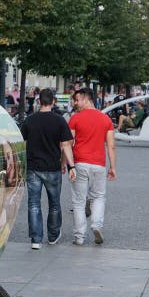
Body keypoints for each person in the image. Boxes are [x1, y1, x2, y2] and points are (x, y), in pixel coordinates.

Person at [20, 88, 75, 249]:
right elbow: (66, 145)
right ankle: (53, 234)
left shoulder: (29, 120)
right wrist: (71, 166)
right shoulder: (59, 121)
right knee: (54, 203)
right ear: (53, 102)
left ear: (38, 101)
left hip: (33, 167)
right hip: (52, 167)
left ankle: (36, 239)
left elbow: (22, 143)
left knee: (34, 204)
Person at [68, 87, 116, 246]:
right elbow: (111, 146)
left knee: (79, 201)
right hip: (99, 164)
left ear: (87, 99)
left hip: (80, 162)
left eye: (78, 99)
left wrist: (66, 164)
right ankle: (96, 225)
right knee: (99, 197)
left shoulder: (75, 119)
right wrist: (113, 167)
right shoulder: (106, 120)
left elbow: (68, 144)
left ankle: (79, 237)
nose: (75, 103)